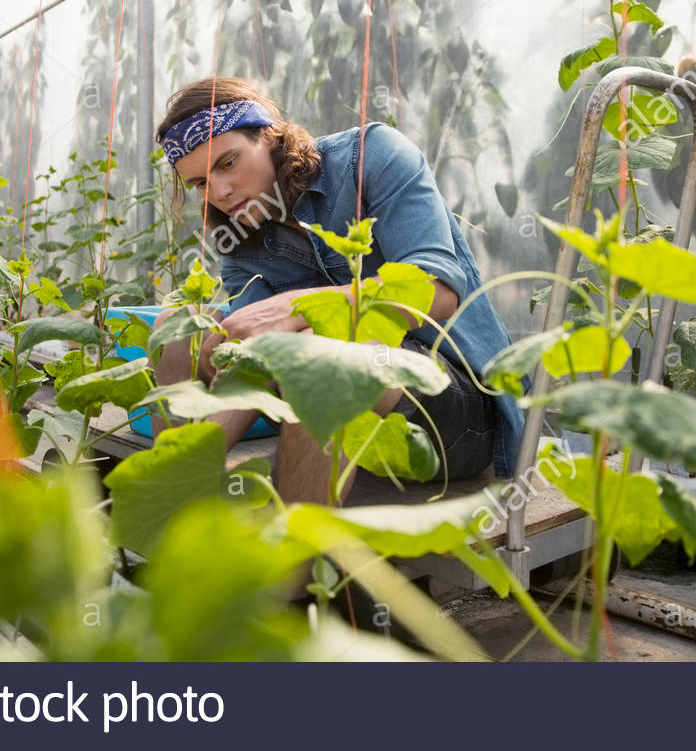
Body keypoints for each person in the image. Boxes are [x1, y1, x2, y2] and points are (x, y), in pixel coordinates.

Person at [150, 77, 525, 504]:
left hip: (452, 409)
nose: (219, 192)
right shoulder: (238, 235)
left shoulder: (370, 157)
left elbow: (439, 289)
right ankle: (177, 503)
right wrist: (196, 455)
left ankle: (294, 564)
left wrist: (300, 307)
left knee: (320, 349)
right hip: (340, 414)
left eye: (228, 163)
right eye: (200, 183)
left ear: (269, 135)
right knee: (177, 328)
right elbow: (260, 361)